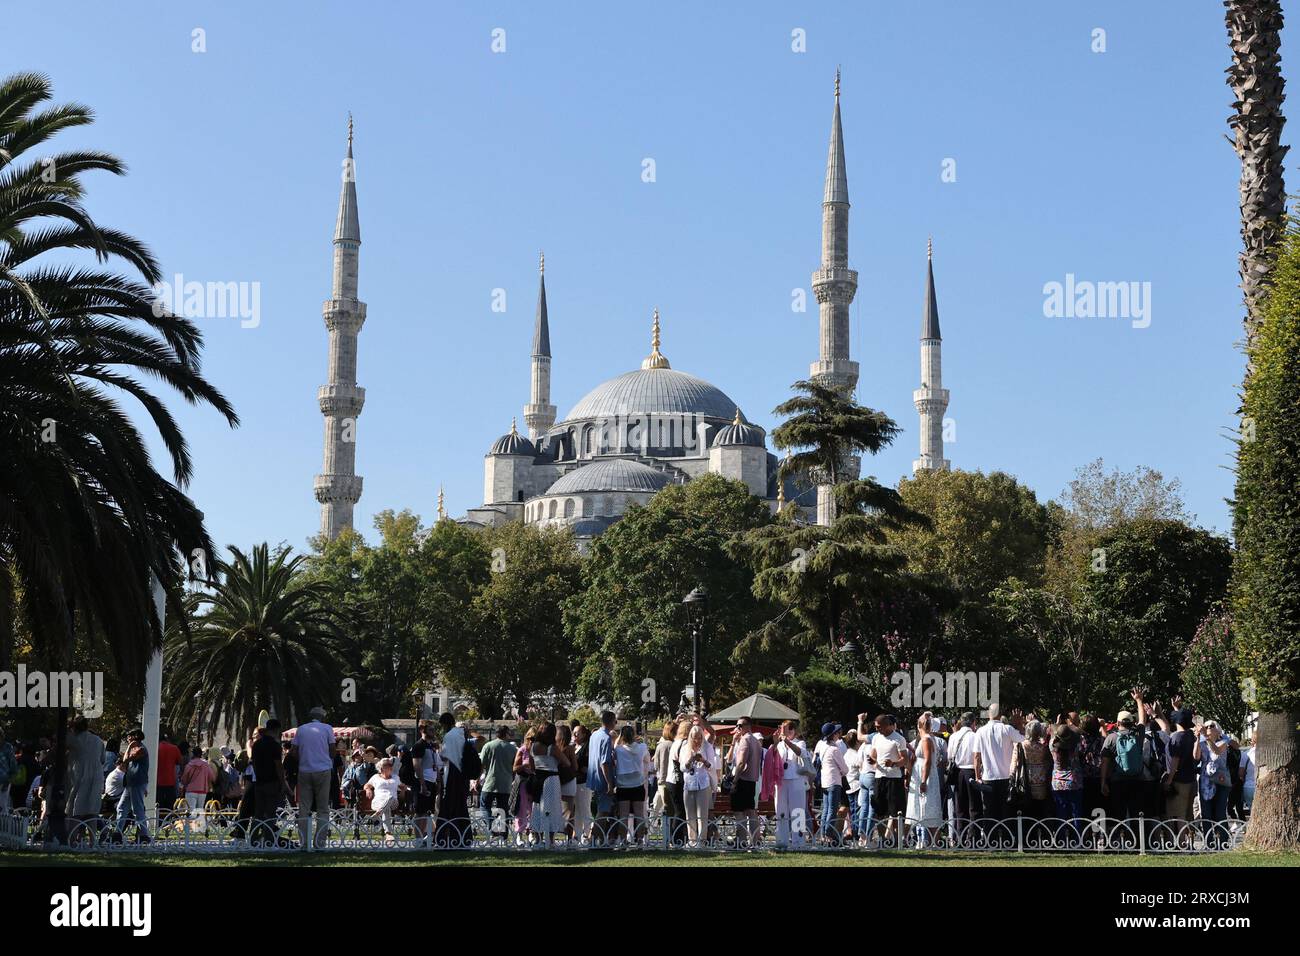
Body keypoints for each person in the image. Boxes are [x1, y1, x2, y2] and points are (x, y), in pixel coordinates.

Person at [971, 704, 1024, 824]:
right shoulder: (1007, 729)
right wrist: (1019, 724)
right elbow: (1024, 739)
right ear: (1000, 715)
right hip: (1006, 778)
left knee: (990, 814)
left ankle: (991, 841)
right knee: (1007, 814)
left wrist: (977, 776)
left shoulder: (980, 731)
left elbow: (976, 756)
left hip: (988, 778)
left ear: (989, 714)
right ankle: (1007, 841)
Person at [292, 706, 335, 849]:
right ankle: (319, 843)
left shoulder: (301, 729)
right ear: (322, 717)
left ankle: (304, 842)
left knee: (304, 807)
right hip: (323, 770)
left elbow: (293, 751)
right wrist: (327, 760)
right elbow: (332, 749)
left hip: (304, 770)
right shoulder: (327, 728)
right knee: (323, 808)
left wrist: (303, 760)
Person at [1100, 709, 1149, 822]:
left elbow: (1105, 762)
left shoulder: (1111, 738)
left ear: (1117, 723)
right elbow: (1142, 720)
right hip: (1138, 779)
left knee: (1119, 814)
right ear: (1132, 723)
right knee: (1137, 813)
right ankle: (1138, 838)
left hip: (1118, 781)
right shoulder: (1138, 735)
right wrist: (1139, 700)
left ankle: (1122, 838)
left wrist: (1103, 782)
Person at [867, 714, 908, 842]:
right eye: (876, 727)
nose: (877, 729)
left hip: (894, 778)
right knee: (879, 810)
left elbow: (905, 759)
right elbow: (873, 755)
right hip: (880, 777)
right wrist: (872, 760)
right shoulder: (876, 738)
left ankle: (896, 840)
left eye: (879, 727)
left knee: (895, 811)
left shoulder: (899, 739)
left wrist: (894, 763)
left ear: (887, 725)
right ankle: (882, 839)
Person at [906, 712, 943, 846]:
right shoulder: (925, 738)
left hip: (925, 775)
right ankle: (927, 841)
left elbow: (927, 761)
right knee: (923, 808)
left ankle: (933, 841)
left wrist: (923, 780)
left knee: (928, 807)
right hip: (920, 773)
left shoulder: (927, 739)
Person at [530, 722, 569, 843]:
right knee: (552, 807)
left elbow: (532, 766)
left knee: (537, 807)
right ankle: (550, 839)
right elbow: (567, 763)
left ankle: (537, 837)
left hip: (538, 778)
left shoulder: (533, 746)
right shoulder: (552, 748)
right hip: (551, 778)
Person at [435, 712, 470, 846]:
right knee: (461, 805)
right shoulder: (461, 733)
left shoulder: (449, 736)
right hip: (462, 773)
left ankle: (447, 835)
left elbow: (444, 756)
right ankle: (462, 836)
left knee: (450, 805)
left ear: (444, 724)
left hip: (452, 773)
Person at [773, 720, 809, 848]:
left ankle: (798, 842)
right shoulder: (780, 744)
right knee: (781, 811)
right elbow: (773, 757)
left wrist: (787, 741)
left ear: (792, 730)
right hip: (781, 781)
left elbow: (800, 753)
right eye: (781, 728)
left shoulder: (800, 742)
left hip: (796, 780)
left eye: (785, 728)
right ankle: (782, 840)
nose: (782, 731)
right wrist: (776, 742)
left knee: (797, 811)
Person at [64, 717, 105, 830]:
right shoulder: (98, 740)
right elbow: (102, 759)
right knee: (92, 811)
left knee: (75, 808)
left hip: (79, 776)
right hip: (96, 777)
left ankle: (71, 838)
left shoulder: (74, 740)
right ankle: (92, 841)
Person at [1010, 720, 1053, 819]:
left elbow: (1014, 764)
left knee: (1027, 815)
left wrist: (1011, 778)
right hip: (1041, 783)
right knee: (1040, 813)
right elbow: (1048, 763)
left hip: (1025, 783)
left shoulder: (1020, 745)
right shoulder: (1043, 747)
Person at [586, 711, 618, 845]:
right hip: (602, 780)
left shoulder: (594, 735)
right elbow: (604, 762)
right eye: (615, 721)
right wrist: (610, 783)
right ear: (611, 721)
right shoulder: (606, 738)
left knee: (601, 810)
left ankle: (598, 839)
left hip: (593, 777)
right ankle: (593, 839)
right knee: (603, 812)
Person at [612, 724, 648, 845]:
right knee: (639, 814)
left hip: (623, 786)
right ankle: (640, 839)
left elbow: (615, 746)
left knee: (623, 815)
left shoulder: (619, 749)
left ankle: (622, 840)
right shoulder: (642, 747)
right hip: (637, 784)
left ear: (622, 736)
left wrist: (619, 737)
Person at [730, 717, 763, 848]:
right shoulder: (756, 741)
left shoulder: (745, 740)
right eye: (737, 725)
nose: (737, 728)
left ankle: (741, 841)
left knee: (739, 812)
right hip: (752, 781)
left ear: (748, 726)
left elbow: (741, 763)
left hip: (743, 780)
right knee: (751, 811)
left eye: (740, 725)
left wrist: (734, 780)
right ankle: (755, 841)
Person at [479, 725, 517, 835]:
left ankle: (492, 828)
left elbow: (481, 765)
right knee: (504, 810)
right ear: (506, 733)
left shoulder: (488, 746)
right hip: (506, 784)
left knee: (485, 807)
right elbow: (514, 767)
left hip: (490, 783)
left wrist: (477, 780)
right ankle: (503, 834)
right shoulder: (512, 749)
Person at [679, 725, 713, 847]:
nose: (697, 740)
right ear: (690, 737)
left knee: (702, 815)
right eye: (694, 738)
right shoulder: (685, 748)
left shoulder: (707, 747)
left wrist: (703, 760)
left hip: (703, 784)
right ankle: (692, 840)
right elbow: (682, 767)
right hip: (688, 784)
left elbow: (711, 766)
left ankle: (702, 841)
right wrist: (691, 759)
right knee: (690, 815)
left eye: (699, 738)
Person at [114, 729, 150, 843]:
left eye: (129, 736)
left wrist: (129, 746)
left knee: (137, 809)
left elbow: (125, 760)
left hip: (137, 782)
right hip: (130, 783)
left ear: (135, 737)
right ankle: (117, 833)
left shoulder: (141, 749)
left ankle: (143, 835)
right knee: (121, 807)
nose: (127, 738)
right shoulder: (135, 749)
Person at [947, 712, 979, 837]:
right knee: (974, 806)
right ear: (973, 722)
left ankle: (960, 835)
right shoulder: (975, 736)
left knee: (959, 806)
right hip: (971, 771)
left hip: (958, 772)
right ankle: (973, 837)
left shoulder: (954, 736)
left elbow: (950, 756)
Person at [1049, 721, 1084, 835]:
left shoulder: (1052, 747)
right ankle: (1077, 839)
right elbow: (1079, 737)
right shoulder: (1076, 747)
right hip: (1074, 782)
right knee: (1076, 813)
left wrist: (1058, 725)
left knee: (1061, 813)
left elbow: (1054, 733)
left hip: (1058, 783)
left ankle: (1062, 839)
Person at [816, 724, 849, 844]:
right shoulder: (834, 749)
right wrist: (842, 771)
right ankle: (829, 835)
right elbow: (845, 769)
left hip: (825, 781)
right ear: (833, 735)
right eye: (837, 732)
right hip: (834, 781)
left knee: (825, 809)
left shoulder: (823, 746)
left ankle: (823, 834)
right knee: (832, 809)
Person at [411, 720, 441, 839]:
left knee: (427, 812)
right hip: (422, 782)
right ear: (422, 730)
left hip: (431, 782)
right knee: (420, 812)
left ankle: (423, 837)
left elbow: (436, 765)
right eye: (430, 729)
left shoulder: (431, 746)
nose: (433, 732)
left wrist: (438, 781)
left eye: (434, 729)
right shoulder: (418, 745)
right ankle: (418, 838)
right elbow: (417, 765)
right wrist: (422, 784)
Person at [364, 758, 402, 842]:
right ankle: (388, 834)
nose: (391, 767)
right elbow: (367, 785)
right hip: (378, 802)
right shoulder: (375, 777)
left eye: (391, 765)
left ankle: (378, 814)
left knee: (390, 797)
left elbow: (402, 786)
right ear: (381, 768)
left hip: (393, 802)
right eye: (388, 765)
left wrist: (404, 788)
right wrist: (368, 789)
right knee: (386, 808)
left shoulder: (396, 777)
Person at [180, 746, 216, 827]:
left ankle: (190, 831)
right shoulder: (205, 765)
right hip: (203, 791)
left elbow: (184, 779)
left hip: (191, 791)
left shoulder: (189, 765)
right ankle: (199, 829)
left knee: (191, 811)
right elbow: (212, 777)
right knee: (200, 811)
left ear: (193, 754)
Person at [571, 723, 592, 843]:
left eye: (577, 732)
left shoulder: (586, 747)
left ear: (583, 734)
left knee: (584, 808)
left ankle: (587, 834)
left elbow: (586, 765)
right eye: (573, 732)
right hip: (575, 781)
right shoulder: (574, 747)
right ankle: (577, 834)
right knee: (577, 810)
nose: (574, 734)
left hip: (583, 782)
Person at [154, 729, 183, 814]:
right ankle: (169, 824)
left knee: (158, 806)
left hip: (157, 783)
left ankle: (157, 824)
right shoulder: (174, 748)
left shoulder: (155, 748)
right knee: (170, 807)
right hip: (170, 782)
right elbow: (180, 762)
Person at [0, 729, 17, 813]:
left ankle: (4, 825)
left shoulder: (7, 747)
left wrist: (8, 781)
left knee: (2, 806)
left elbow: (13, 767)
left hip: (4, 781)